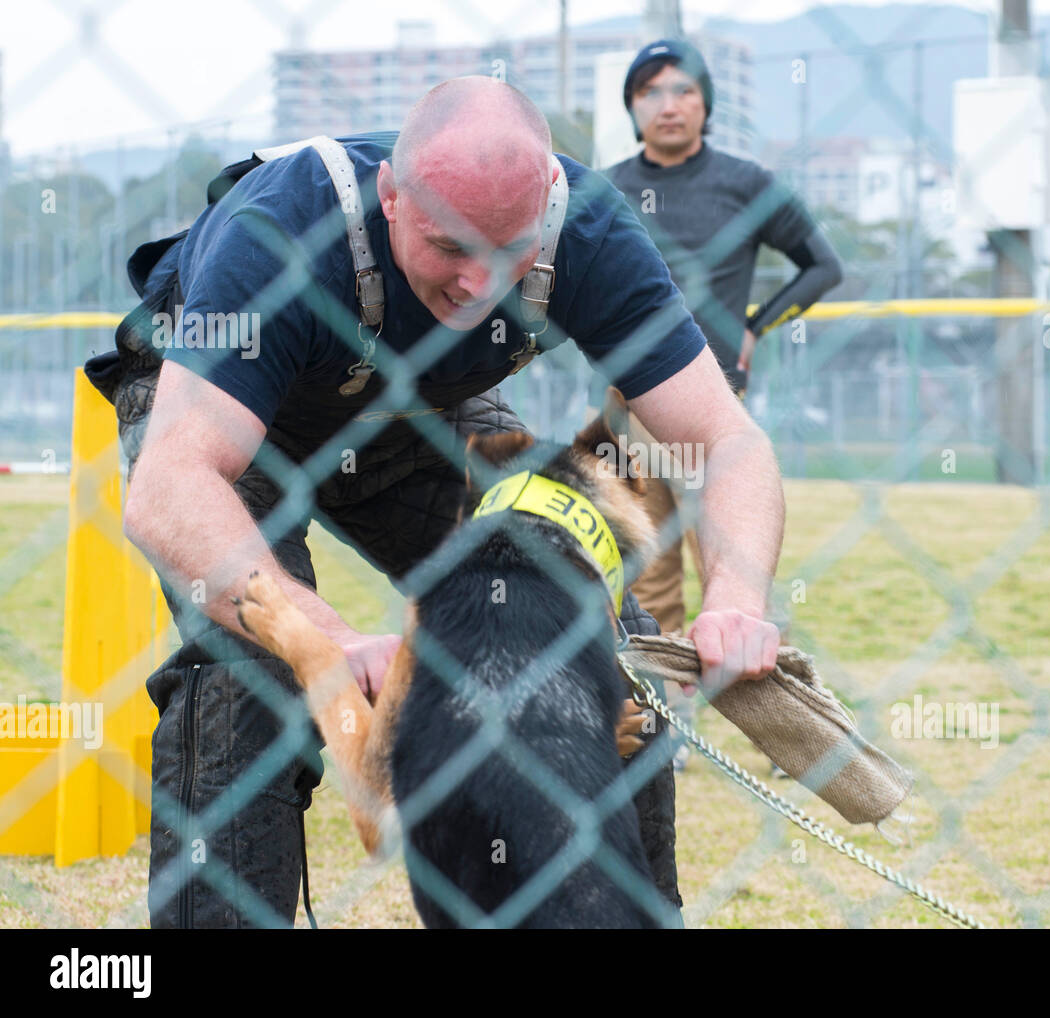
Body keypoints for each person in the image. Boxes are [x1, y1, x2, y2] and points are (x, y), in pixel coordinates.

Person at [99, 77, 784, 928]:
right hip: (219, 422)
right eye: (449, 246)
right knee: (257, 672)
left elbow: (729, 440)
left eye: (513, 253)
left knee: (605, 647)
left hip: (417, 410)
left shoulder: (592, 229)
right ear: (391, 196)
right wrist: (330, 637)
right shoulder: (280, 229)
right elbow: (172, 480)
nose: (480, 285)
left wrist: (737, 597)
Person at [602, 40, 842, 767]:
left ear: (705, 102)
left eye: (682, 90)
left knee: (734, 572)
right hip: (626, 406)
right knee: (648, 573)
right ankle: (661, 731)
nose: (667, 104)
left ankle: (785, 733)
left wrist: (756, 324)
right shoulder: (604, 191)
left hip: (713, 404)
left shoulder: (746, 184)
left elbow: (823, 264)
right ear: (632, 107)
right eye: (650, 92)